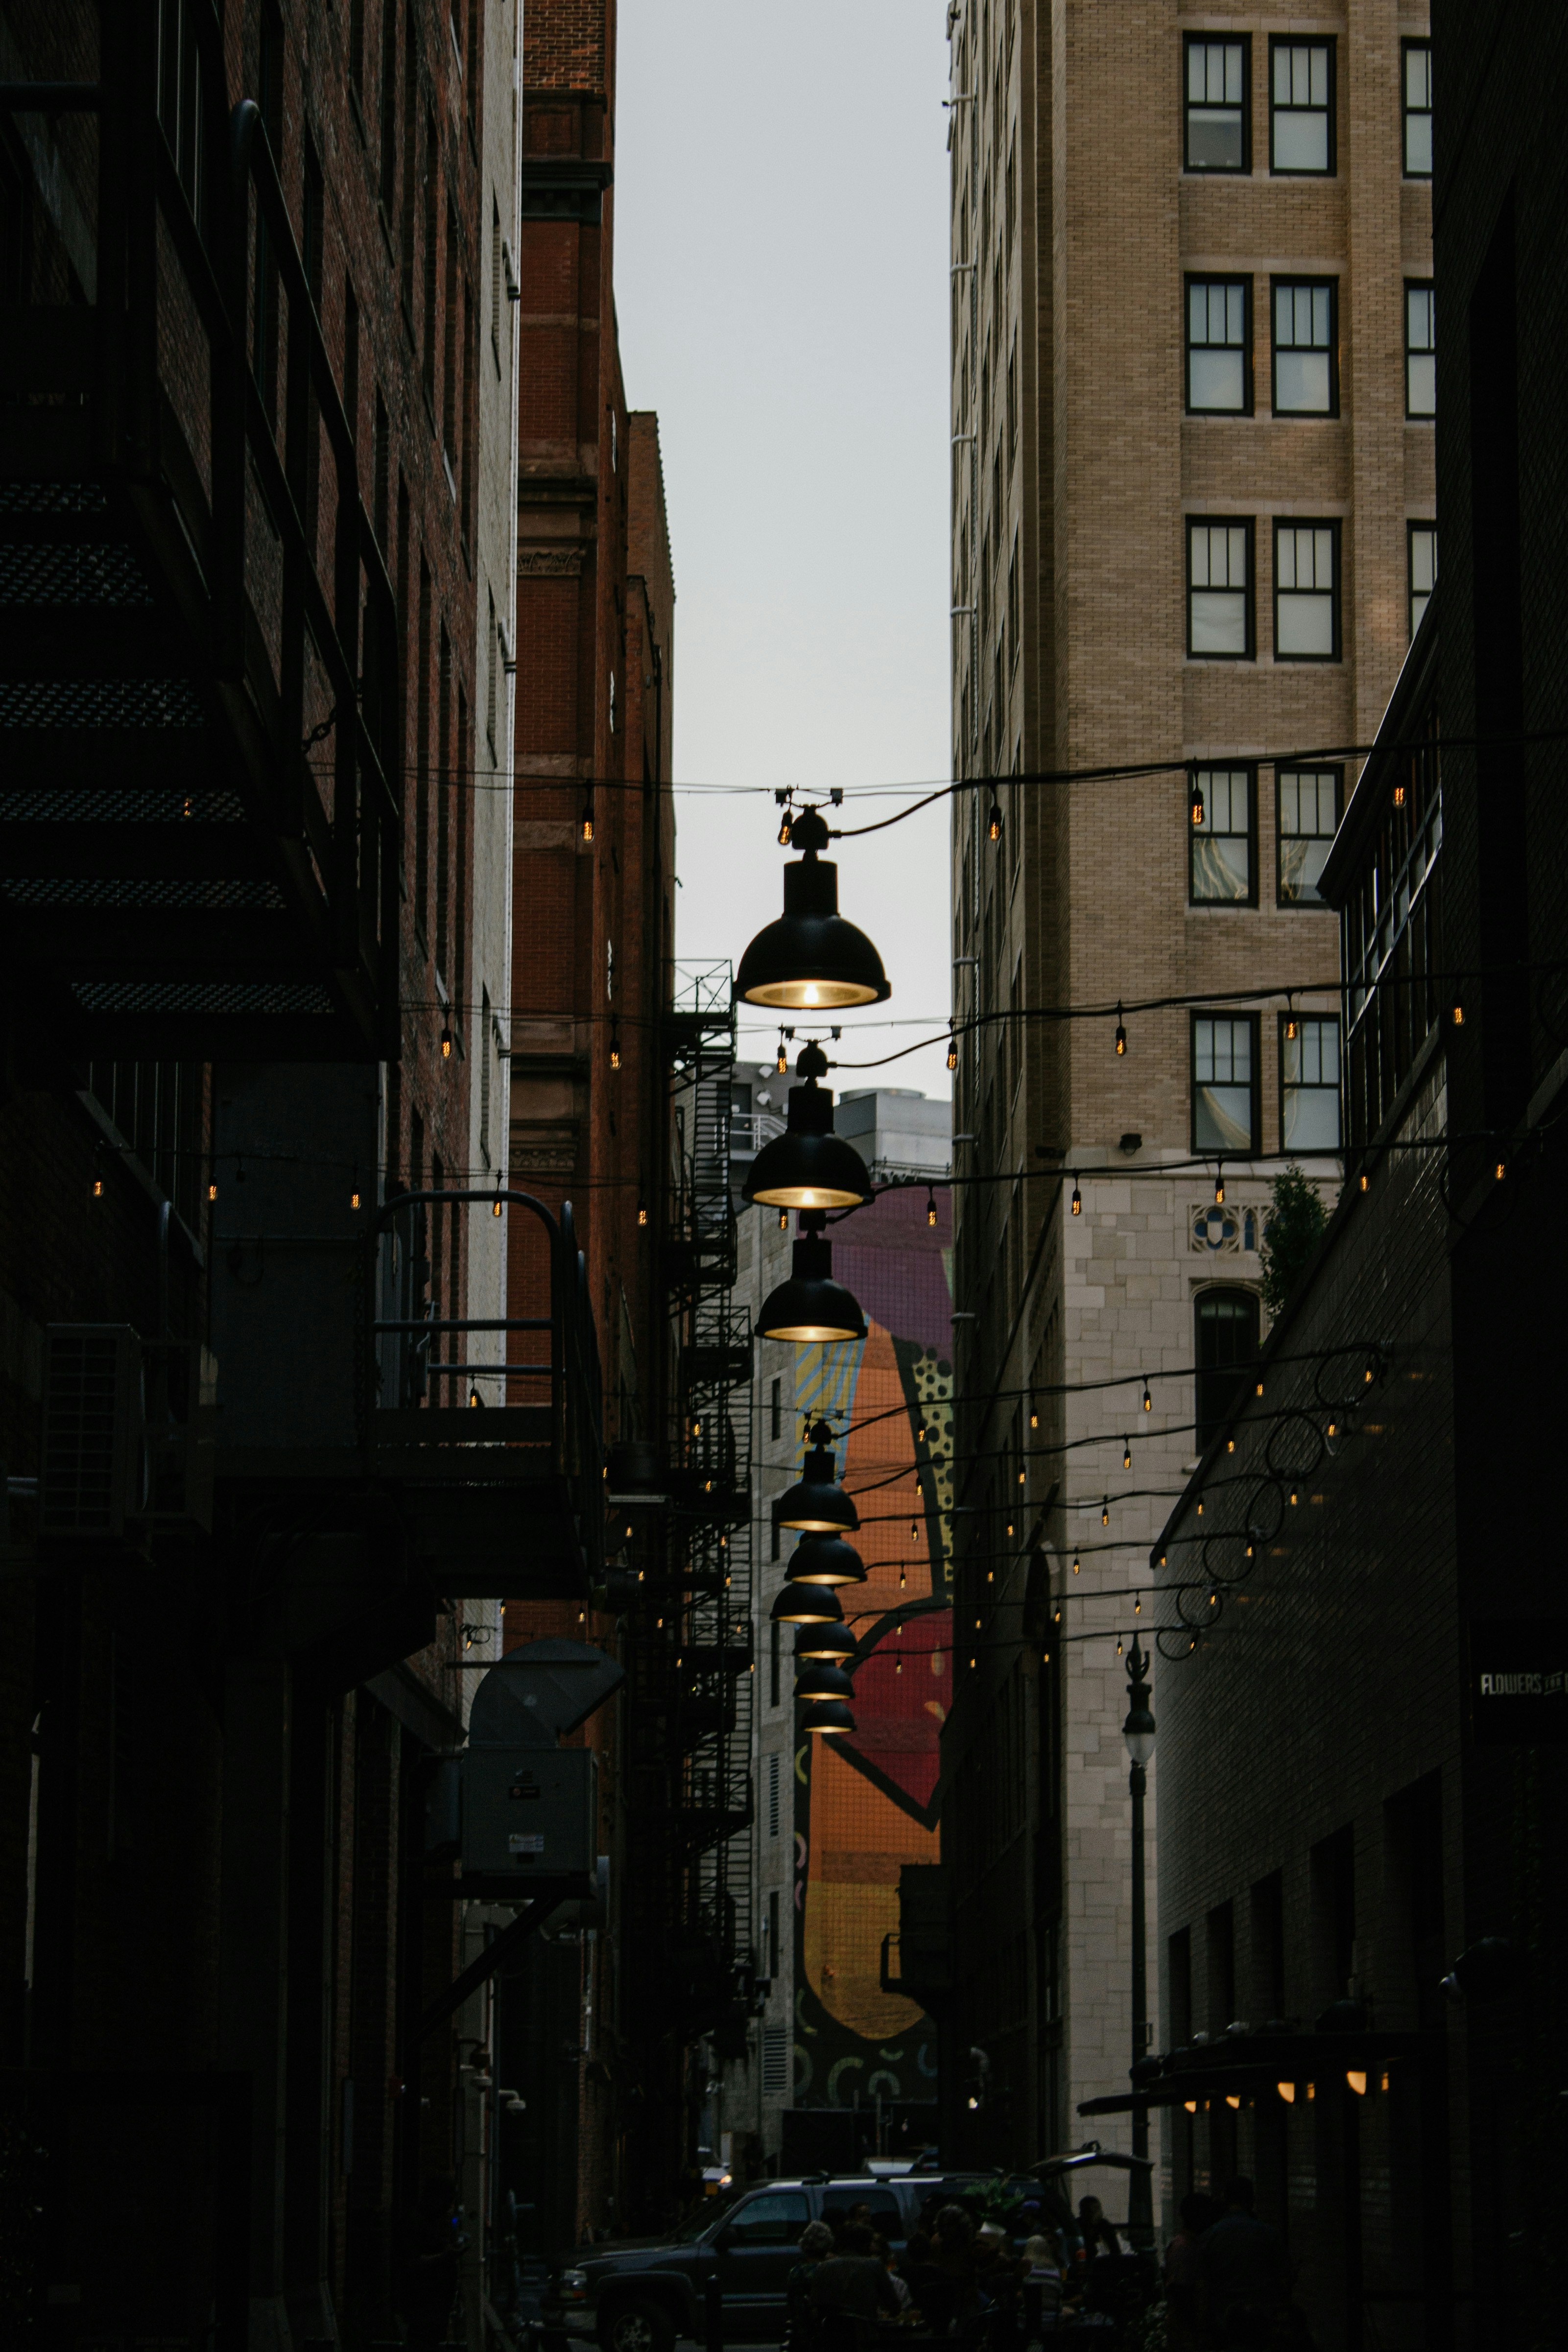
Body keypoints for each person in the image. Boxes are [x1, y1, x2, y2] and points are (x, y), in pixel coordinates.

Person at [1197, 2177, 1292, 2344]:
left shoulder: (1209, 2237)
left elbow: (1202, 2284)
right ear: (1252, 2199)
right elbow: (1283, 2280)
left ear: (1225, 2199)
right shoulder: (1270, 2235)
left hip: (1223, 2322)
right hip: (1261, 2320)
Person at [809, 2222, 903, 2351]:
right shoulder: (874, 2266)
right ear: (865, 2245)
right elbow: (894, 2307)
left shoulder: (823, 2268)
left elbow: (815, 2307)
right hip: (867, 2340)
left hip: (831, 2340)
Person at [404, 2176, 465, 2349]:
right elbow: (413, 2262)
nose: (448, 2207)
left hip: (435, 2305)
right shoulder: (416, 2223)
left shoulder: (431, 2222)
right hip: (424, 2305)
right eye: (447, 2201)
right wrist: (445, 2256)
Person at [1163, 2193, 1221, 2350]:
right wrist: (1198, 2331)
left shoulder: (1191, 2245)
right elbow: (1180, 2292)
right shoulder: (1184, 2248)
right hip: (1187, 2336)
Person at [786, 2220, 837, 2352]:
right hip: (827, 2334)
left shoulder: (796, 2272)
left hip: (802, 2334)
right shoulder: (831, 2271)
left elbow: (795, 2308)